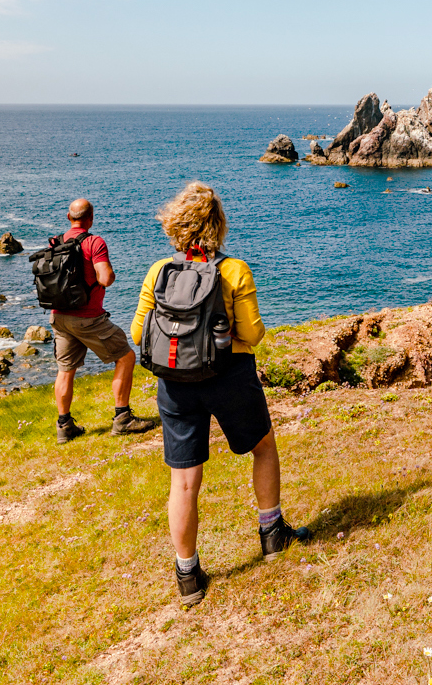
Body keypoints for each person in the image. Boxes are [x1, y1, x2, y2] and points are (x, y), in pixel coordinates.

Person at [131, 182, 310, 608]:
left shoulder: (159, 272)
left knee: (185, 480)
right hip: (229, 375)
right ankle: (272, 534)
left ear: (175, 225)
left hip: (174, 383)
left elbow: (139, 333)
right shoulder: (234, 271)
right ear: (218, 224)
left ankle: (188, 576)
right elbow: (251, 334)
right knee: (263, 447)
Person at [49, 198, 159, 443]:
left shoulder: (56, 241)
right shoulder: (94, 242)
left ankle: (64, 426)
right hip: (88, 318)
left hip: (59, 317)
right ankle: (123, 419)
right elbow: (106, 278)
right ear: (91, 218)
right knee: (126, 357)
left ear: (69, 217)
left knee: (65, 370)